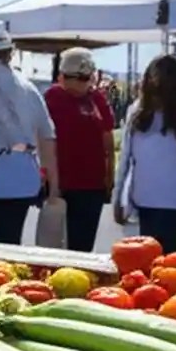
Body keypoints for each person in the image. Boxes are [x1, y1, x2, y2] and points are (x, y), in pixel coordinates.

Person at [0, 20, 59, 245]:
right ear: (9, 53)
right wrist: (53, 185)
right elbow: (46, 136)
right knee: (8, 249)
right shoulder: (28, 88)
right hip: (21, 183)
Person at [113, 54, 176, 254]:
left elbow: (125, 161)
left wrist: (119, 199)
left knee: (152, 261)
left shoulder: (139, 113)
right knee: (170, 261)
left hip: (149, 199)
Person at [45, 47, 115, 252]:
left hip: (91, 186)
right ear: (62, 77)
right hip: (59, 185)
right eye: (77, 78)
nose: (83, 83)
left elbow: (108, 141)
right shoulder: (51, 98)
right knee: (52, 248)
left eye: (87, 78)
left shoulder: (98, 98)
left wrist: (109, 179)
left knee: (82, 248)